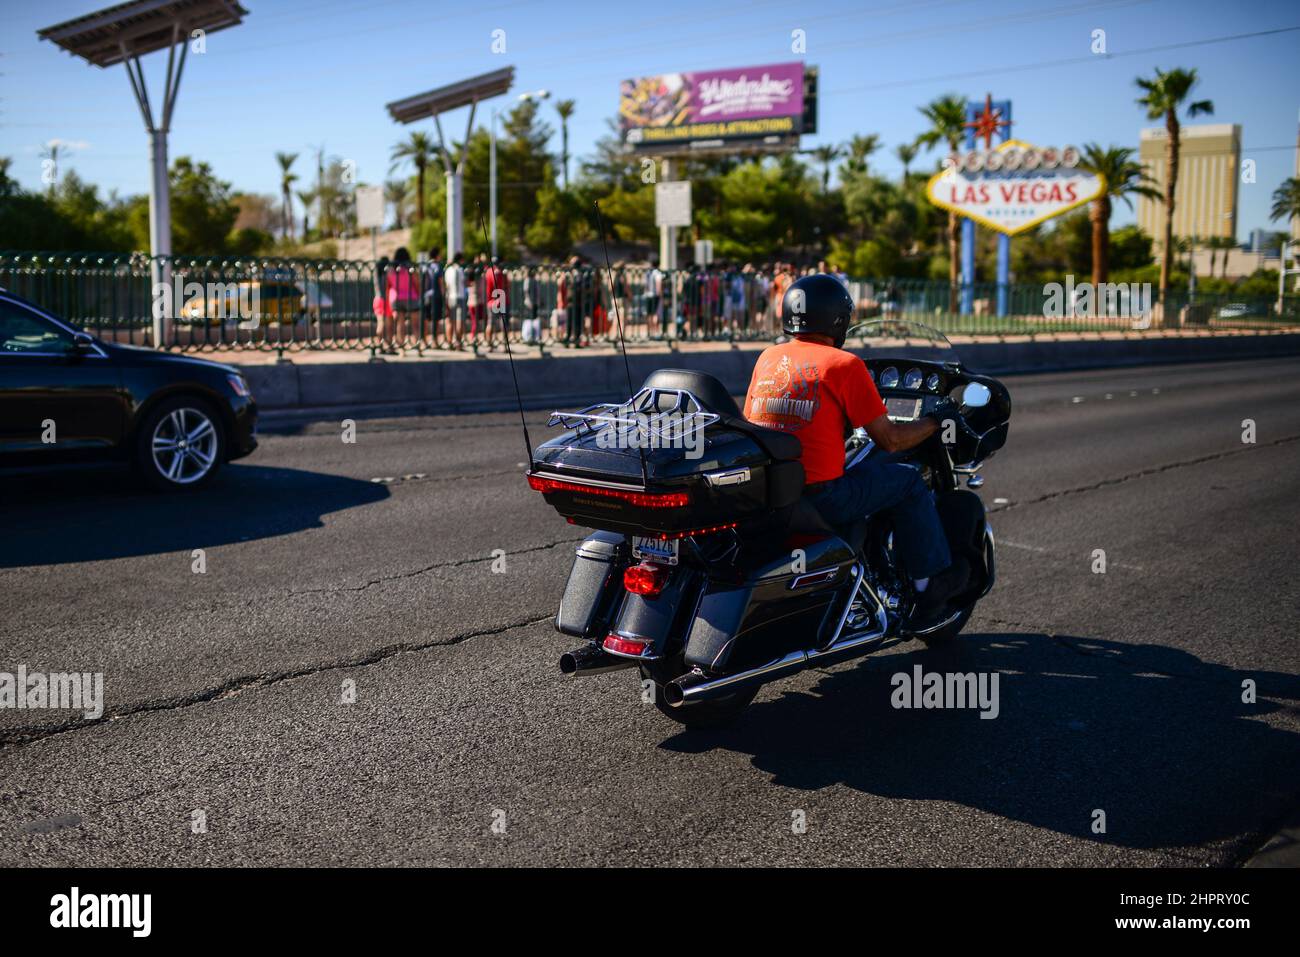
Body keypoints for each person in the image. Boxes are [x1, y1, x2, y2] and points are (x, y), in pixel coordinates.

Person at [743, 273, 967, 630]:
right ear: (838, 319)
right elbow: (890, 440)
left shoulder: (768, 358)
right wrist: (934, 422)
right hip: (823, 496)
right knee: (907, 481)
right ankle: (929, 586)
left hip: (771, 492)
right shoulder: (844, 365)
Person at [422, 248, 445, 348]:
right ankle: (435, 342)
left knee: (426, 319)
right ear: (436, 255)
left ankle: (424, 341)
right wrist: (444, 295)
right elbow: (441, 282)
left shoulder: (425, 266)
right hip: (436, 296)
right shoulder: (438, 267)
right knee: (436, 320)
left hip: (426, 295)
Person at [443, 252, 466, 349]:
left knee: (450, 321)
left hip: (450, 297)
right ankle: (458, 343)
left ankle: (449, 342)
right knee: (459, 321)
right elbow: (464, 282)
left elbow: (446, 285)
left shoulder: (448, 270)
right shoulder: (460, 270)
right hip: (460, 296)